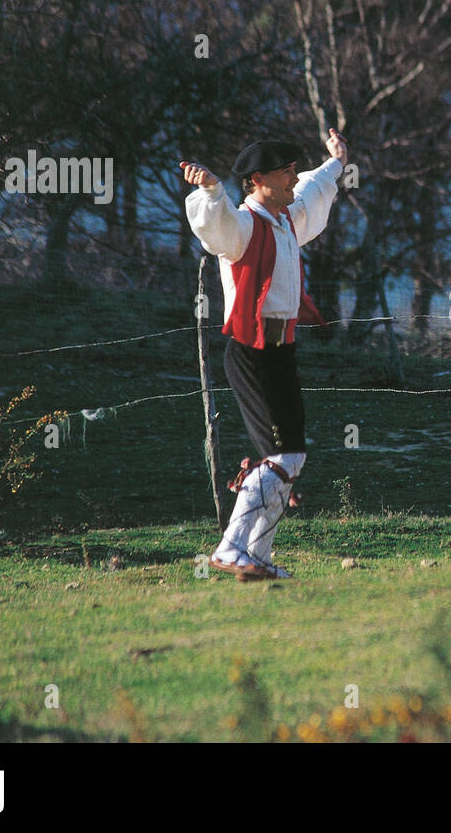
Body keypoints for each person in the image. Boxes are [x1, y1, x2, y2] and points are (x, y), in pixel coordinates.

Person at [182, 128, 349, 579]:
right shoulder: (243, 224)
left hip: (282, 351)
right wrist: (211, 190)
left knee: (290, 456)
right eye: (285, 171)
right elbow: (213, 229)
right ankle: (233, 547)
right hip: (252, 353)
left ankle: (256, 557)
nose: (294, 178)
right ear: (258, 179)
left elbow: (314, 191)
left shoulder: (286, 219)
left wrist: (336, 162)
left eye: (295, 168)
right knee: (284, 456)